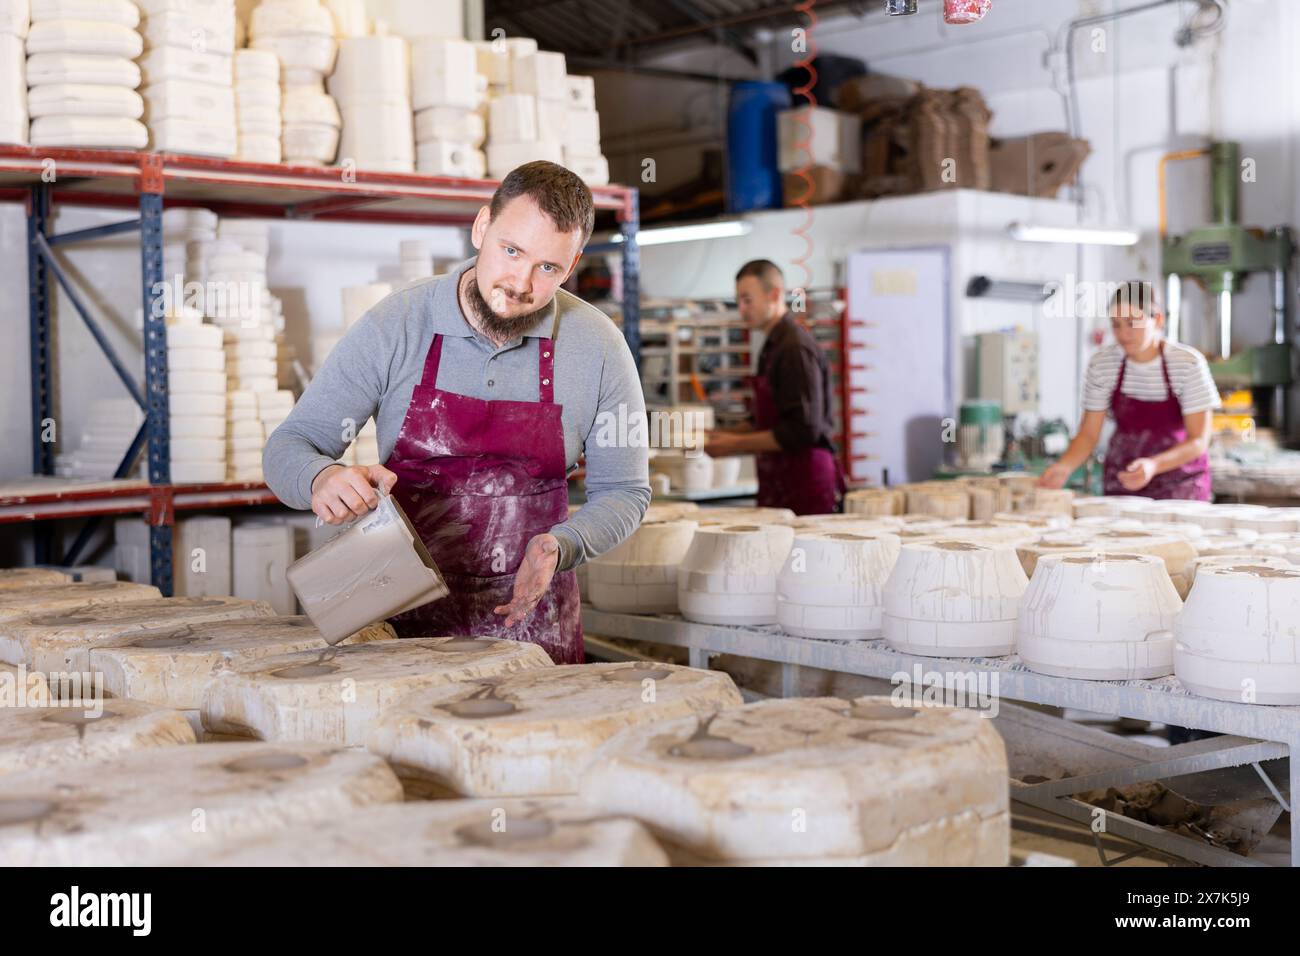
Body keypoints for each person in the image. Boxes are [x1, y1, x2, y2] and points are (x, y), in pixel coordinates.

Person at [263, 161, 650, 664]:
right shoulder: (396, 325)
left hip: (533, 627)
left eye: (547, 268)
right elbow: (289, 446)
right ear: (481, 227)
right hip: (398, 624)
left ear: (571, 264)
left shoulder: (598, 347)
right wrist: (321, 477)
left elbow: (625, 491)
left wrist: (564, 545)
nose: (520, 283)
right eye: (511, 251)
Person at [1039, 282, 1220, 499]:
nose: (1123, 333)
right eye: (1116, 325)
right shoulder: (1103, 364)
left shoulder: (1187, 363)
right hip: (1124, 479)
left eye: (1132, 323)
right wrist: (1064, 466)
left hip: (1181, 485)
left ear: (1158, 319)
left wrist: (1154, 465)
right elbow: (1088, 434)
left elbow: (1199, 440)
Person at [705, 259, 843, 515]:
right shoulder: (771, 347)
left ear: (775, 294)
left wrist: (733, 444)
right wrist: (720, 434)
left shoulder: (794, 348)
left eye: (748, 300)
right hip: (780, 482)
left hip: (805, 482)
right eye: (739, 301)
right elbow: (767, 419)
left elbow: (802, 430)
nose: (742, 309)